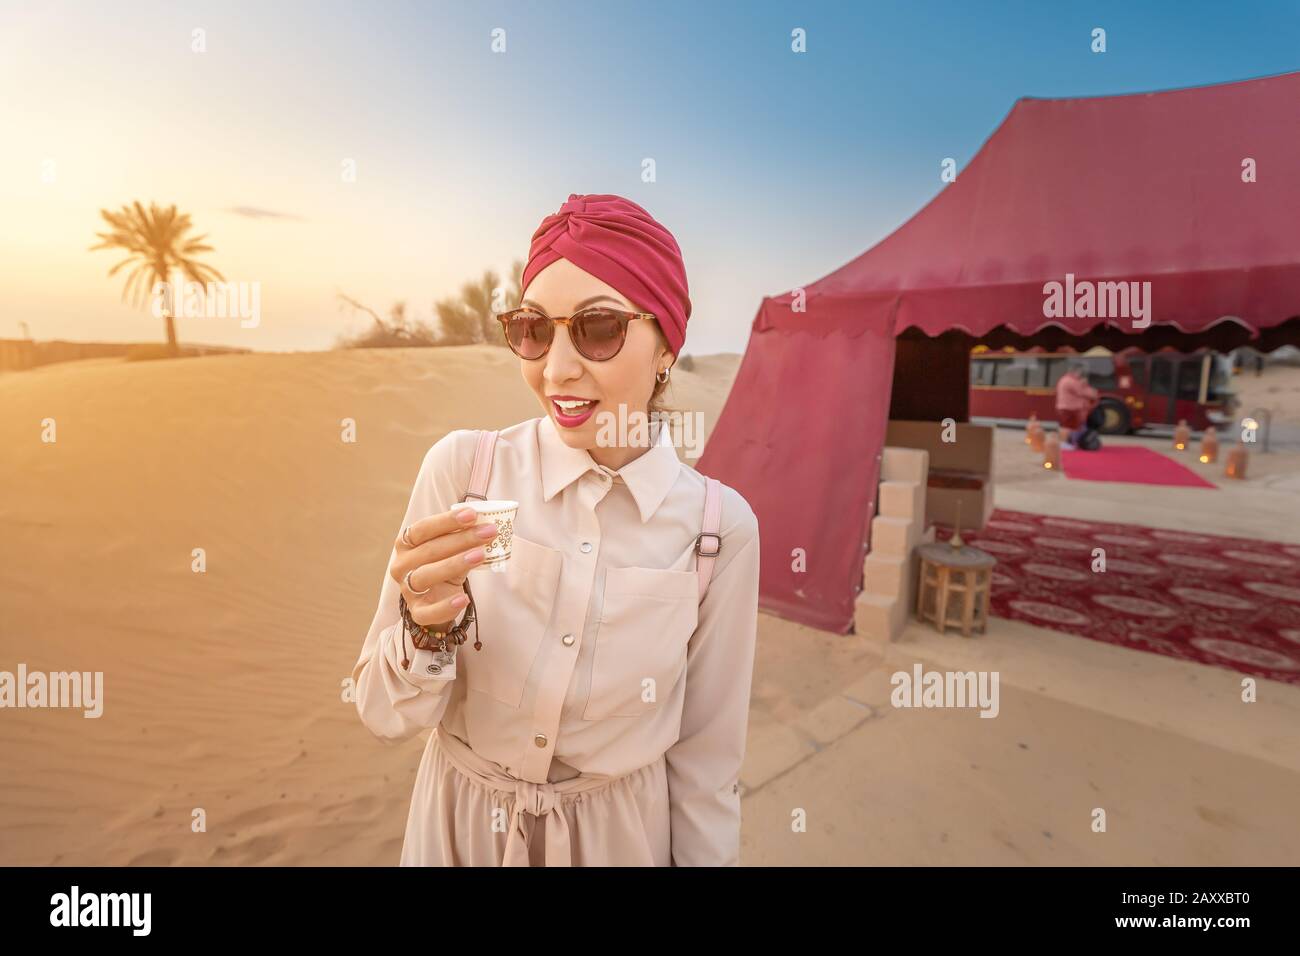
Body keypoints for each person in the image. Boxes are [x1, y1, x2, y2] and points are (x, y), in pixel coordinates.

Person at [352, 193, 761, 866]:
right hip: (458, 833)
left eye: (599, 329)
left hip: (618, 842)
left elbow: (708, 764)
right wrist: (427, 629)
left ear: (666, 348)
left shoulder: (716, 529)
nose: (557, 369)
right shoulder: (471, 474)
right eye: (534, 330)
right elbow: (382, 711)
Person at [1055, 360, 1099, 451]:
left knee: (1069, 426)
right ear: (1077, 371)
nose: (1081, 375)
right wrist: (1088, 387)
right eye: (1081, 373)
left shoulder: (1065, 379)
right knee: (1067, 427)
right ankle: (1063, 443)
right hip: (1069, 408)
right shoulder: (1071, 381)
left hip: (1066, 407)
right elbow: (1084, 392)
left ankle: (1067, 443)